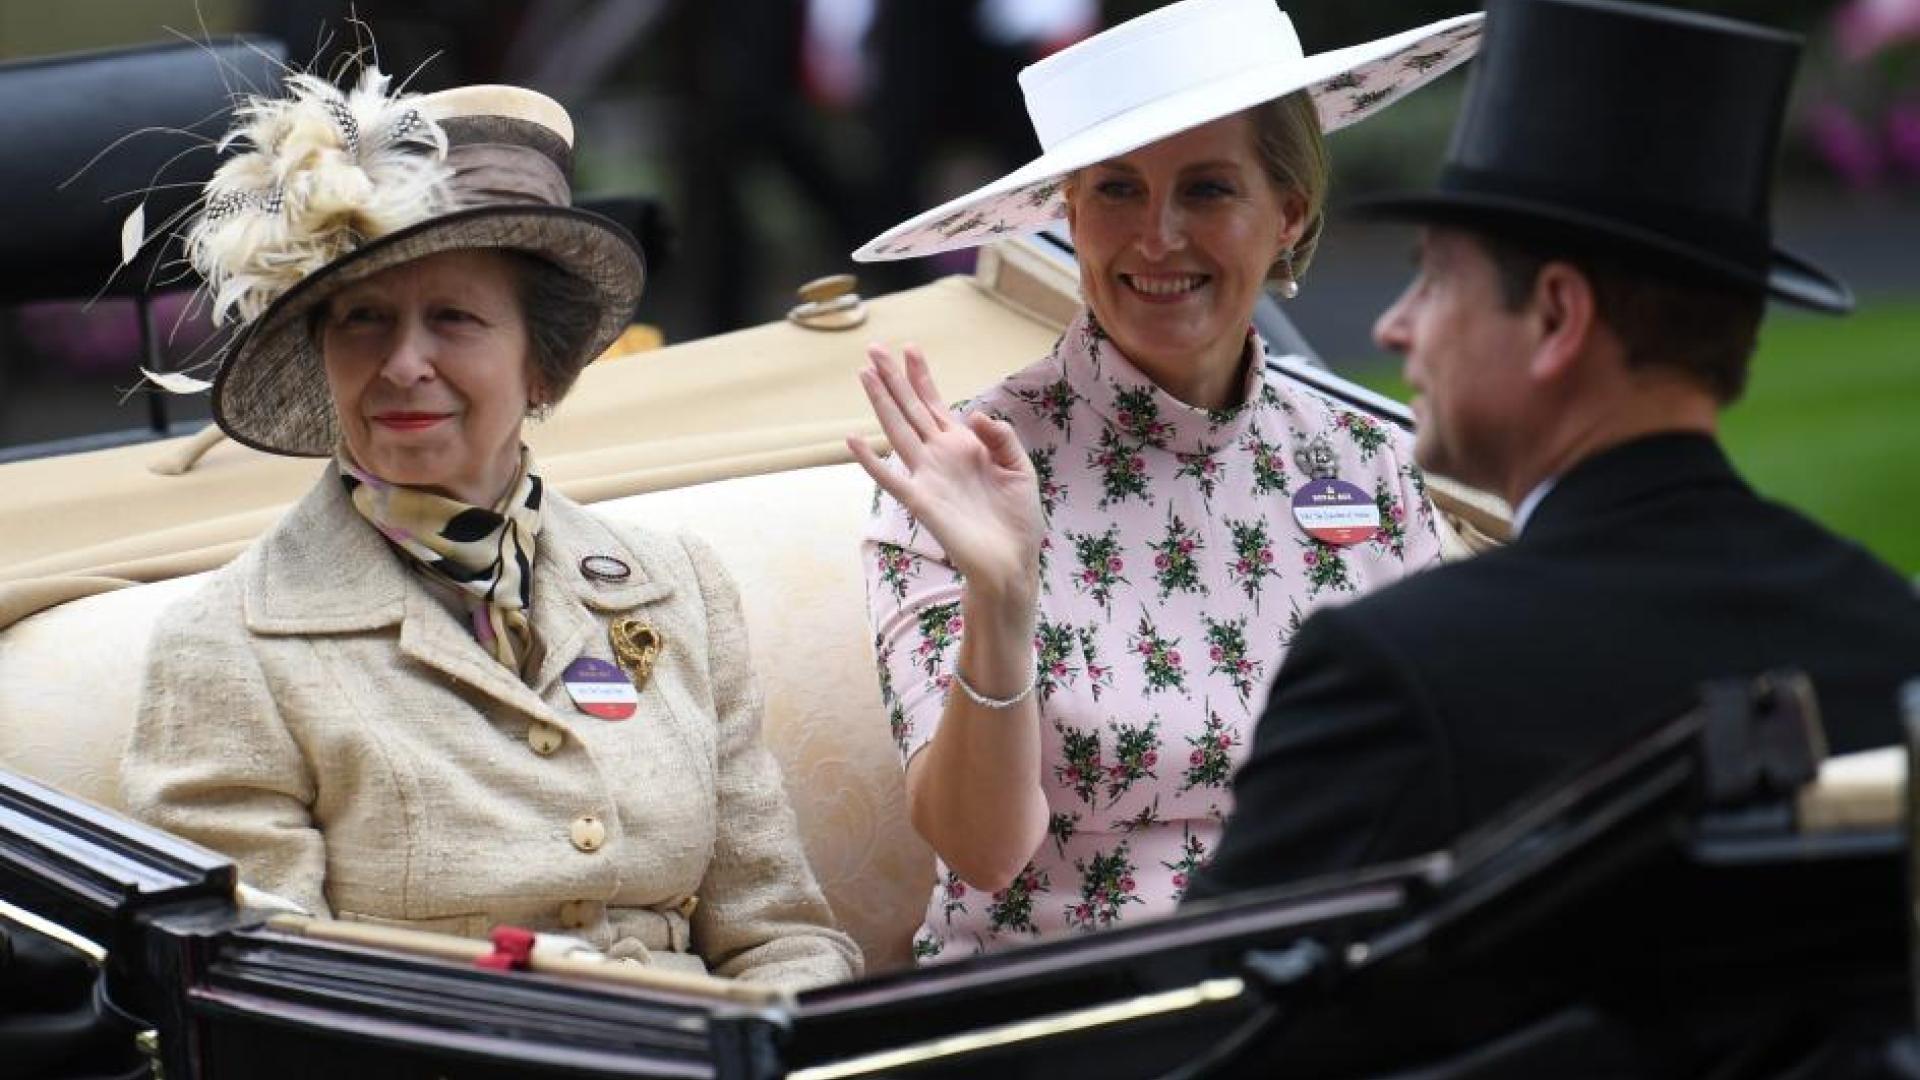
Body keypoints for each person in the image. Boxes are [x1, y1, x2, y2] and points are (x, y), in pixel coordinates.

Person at [121, 71, 860, 989]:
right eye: (364, 320)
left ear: (542, 367)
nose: (402, 364)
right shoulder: (228, 642)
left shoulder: (677, 586)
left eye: (454, 320)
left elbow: (778, 936)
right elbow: (261, 998)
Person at [1188, 0, 1920, 901]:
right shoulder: (1892, 635)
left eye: (1433, 277)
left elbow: (1193, 1018)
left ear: (1557, 318)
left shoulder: (1398, 675)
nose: (1394, 325)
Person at [847, 0, 1482, 960]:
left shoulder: (1367, 458)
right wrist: (1004, 597)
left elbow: (1442, 775)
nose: (1156, 237)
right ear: (1068, 215)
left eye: (1208, 190)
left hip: (1331, 981)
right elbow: (981, 853)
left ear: (1289, 215)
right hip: (1070, 1008)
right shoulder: (966, 471)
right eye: (1116, 191)